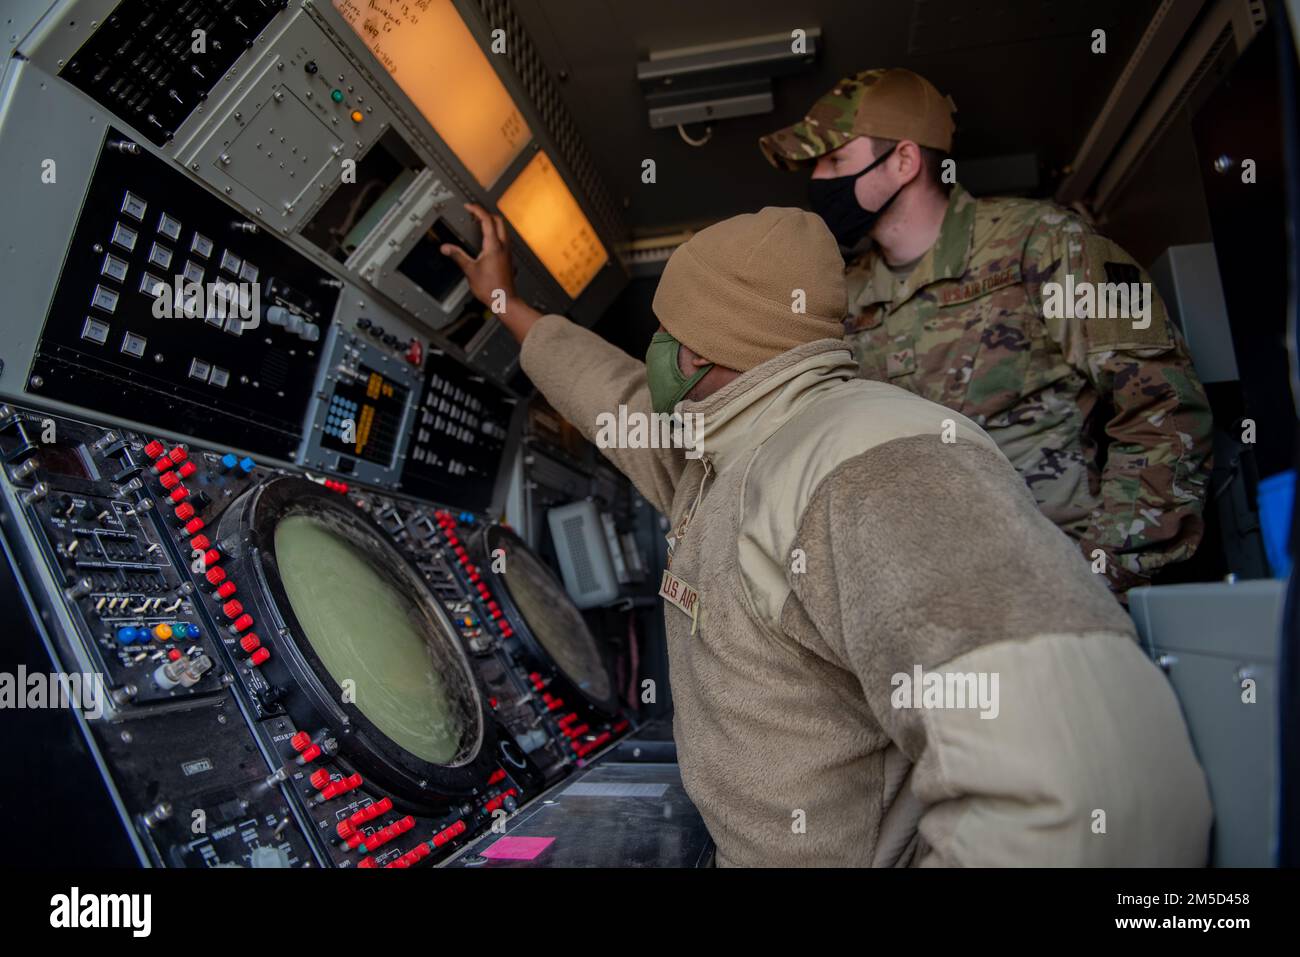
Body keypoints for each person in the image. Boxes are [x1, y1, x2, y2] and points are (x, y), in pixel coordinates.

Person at [441, 202, 1210, 867]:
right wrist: (507, 302)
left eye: (663, 332)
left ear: (700, 350)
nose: (654, 352)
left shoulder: (876, 463)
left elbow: (1090, 780)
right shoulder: (727, 441)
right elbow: (613, 393)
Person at [760, 68, 1214, 598]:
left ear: (904, 161)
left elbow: (1165, 404)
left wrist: (1099, 574)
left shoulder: (1043, 243)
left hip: (1055, 596)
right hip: (920, 610)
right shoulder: (843, 298)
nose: (818, 179)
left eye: (835, 159)